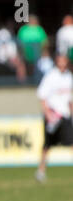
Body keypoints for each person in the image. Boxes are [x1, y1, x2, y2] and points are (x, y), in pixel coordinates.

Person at [35, 51, 72, 184]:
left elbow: (69, 99)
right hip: (53, 116)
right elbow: (42, 96)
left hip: (65, 115)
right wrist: (48, 114)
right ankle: (41, 170)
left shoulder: (69, 77)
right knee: (47, 145)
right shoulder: (51, 76)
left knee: (71, 142)